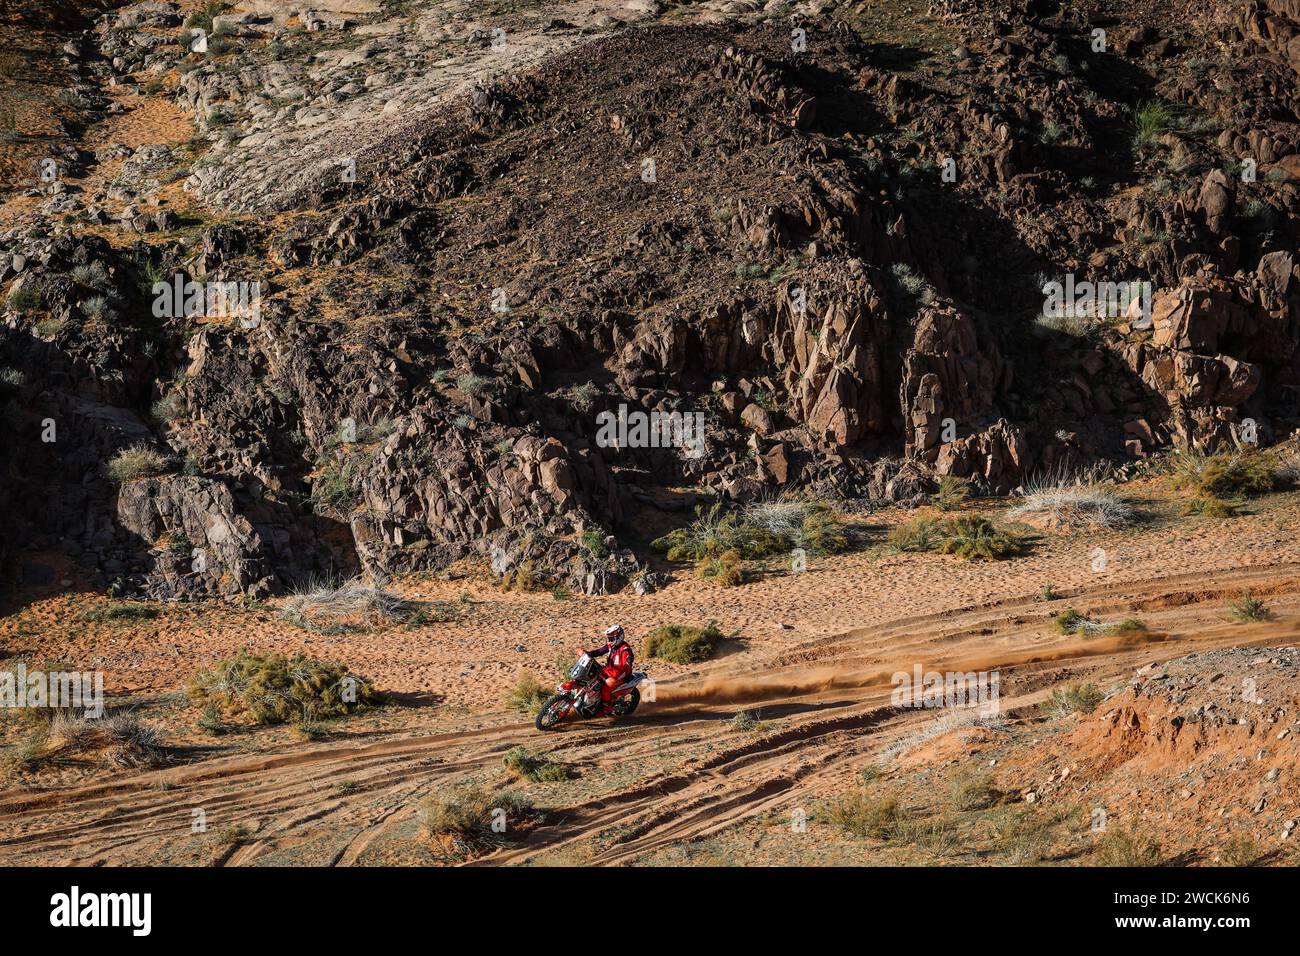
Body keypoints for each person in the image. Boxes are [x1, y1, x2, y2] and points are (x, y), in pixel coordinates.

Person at [576, 624, 634, 708]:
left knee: (605, 689)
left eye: (611, 638)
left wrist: (615, 678)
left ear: (618, 637)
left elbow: (626, 667)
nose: (609, 640)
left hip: (621, 676)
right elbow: (599, 651)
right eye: (609, 638)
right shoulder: (611, 646)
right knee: (590, 676)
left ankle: (607, 707)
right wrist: (587, 654)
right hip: (609, 671)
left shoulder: (625, 650)